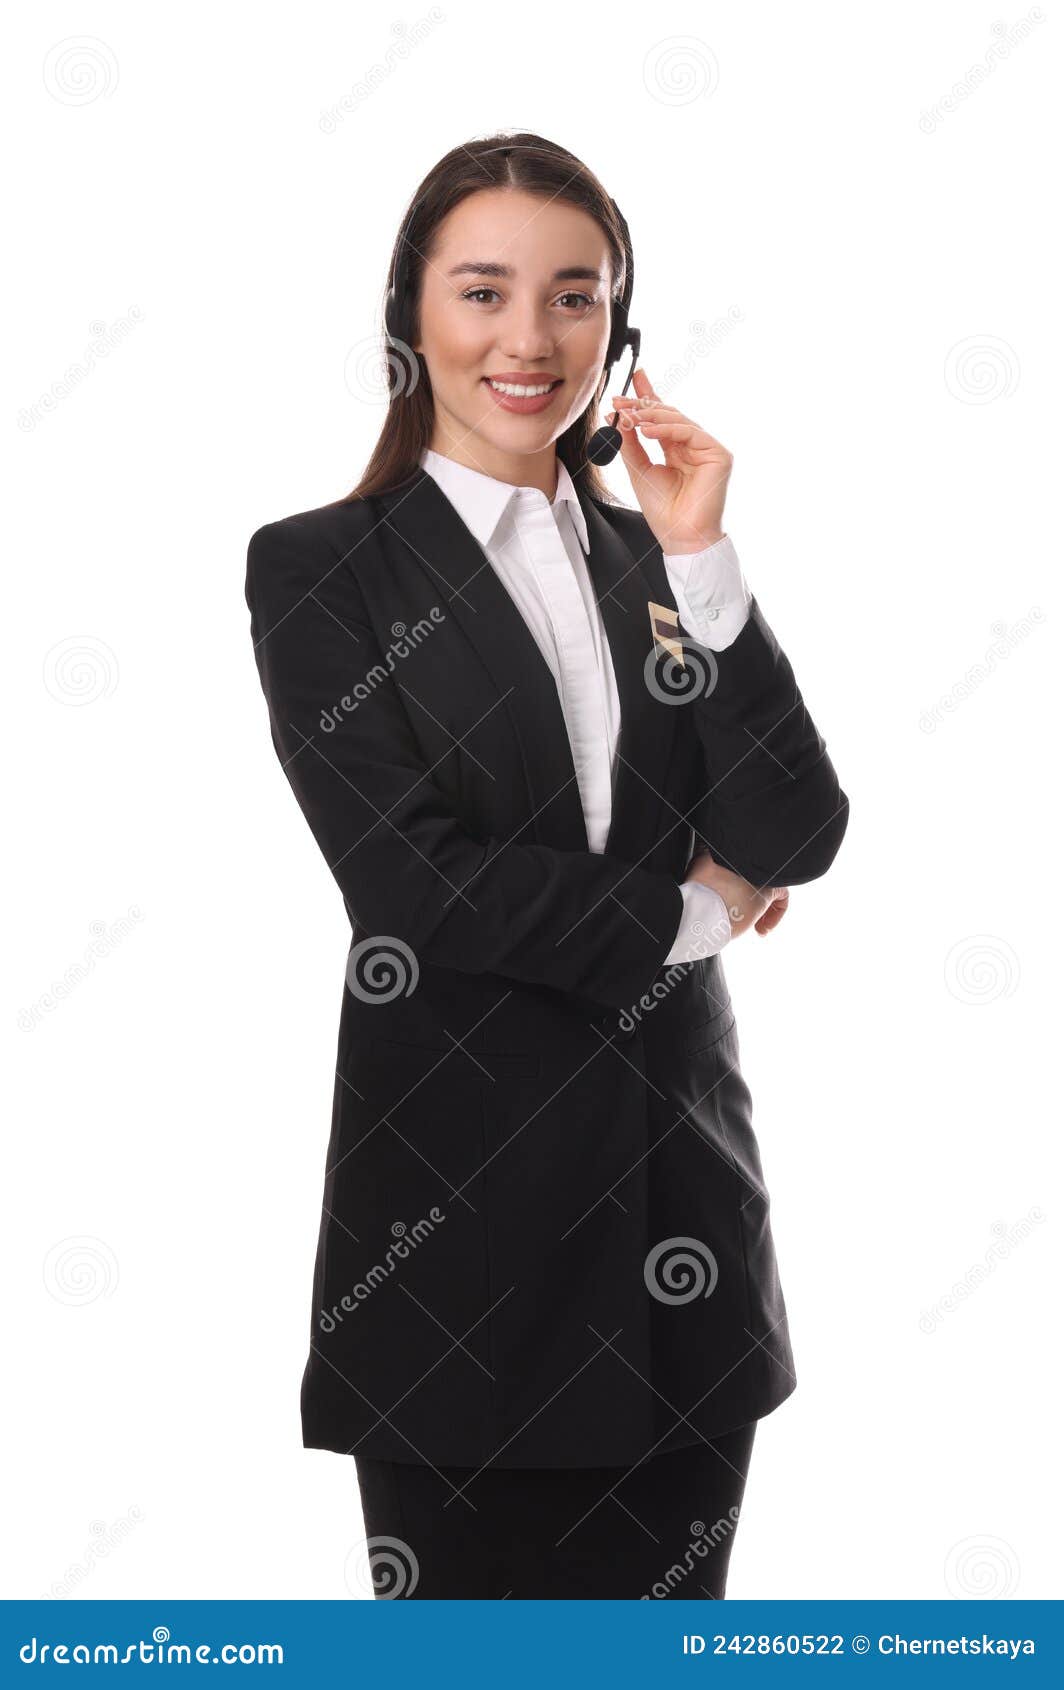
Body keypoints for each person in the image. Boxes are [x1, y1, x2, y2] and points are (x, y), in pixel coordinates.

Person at [244, 131, 849, 1599]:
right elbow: (413, 885)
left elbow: (802, 823)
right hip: (458, 1254)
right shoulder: (323, 570)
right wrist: (696, 912)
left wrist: (706, 559)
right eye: (484, 291)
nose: (530, 340)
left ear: (620, 330)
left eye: (576, 297)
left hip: (676, 1240)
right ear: (414, 313)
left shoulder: (659, 567)